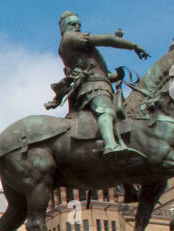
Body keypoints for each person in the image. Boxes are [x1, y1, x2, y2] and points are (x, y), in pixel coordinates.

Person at [45, 11, 150, 155]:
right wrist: (133, 45)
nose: (76, 26)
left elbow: (102, 74)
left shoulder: (78, 46)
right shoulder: (70, 38)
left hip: (100, 83)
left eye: (78, 24)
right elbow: (106, 39)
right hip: (92, 87)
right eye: (72, 24)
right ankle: (110, 145)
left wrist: (116, 76)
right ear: (64, 27)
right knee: (105, 111)